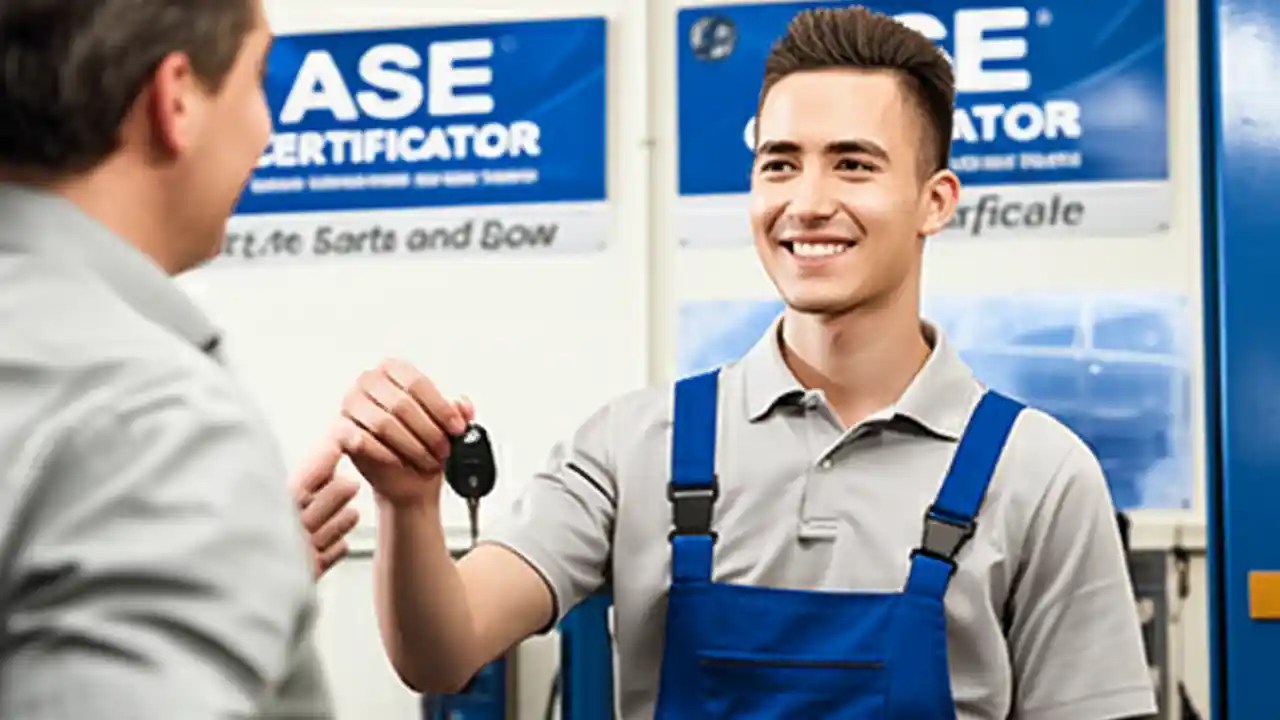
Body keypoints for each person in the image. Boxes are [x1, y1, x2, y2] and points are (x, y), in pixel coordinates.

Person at [337, 7, 1158, 719]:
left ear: (935, 200)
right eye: (780, 162)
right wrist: (407, 508)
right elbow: (443, 653)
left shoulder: (1039, 474)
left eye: (854, 163)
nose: (806, 201)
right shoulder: (636, 447)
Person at [0, 0, 360, 717]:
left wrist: (214, 561)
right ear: (176, 100)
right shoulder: (149, 422)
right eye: (259, 78)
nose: (268, 129)